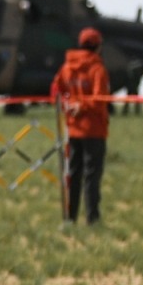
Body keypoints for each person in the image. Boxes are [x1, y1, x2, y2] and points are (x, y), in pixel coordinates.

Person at [51, 27, 111, 225]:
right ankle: (93, 219)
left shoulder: (67, 67)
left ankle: (70, 218)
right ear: (98, 46)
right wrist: (82, 105)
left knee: (73, 175)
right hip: (93, 130)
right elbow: (99, 99)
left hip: (73, 129)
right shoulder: (97, 68)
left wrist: (68, 104)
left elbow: (55, 91)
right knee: (92, 176)